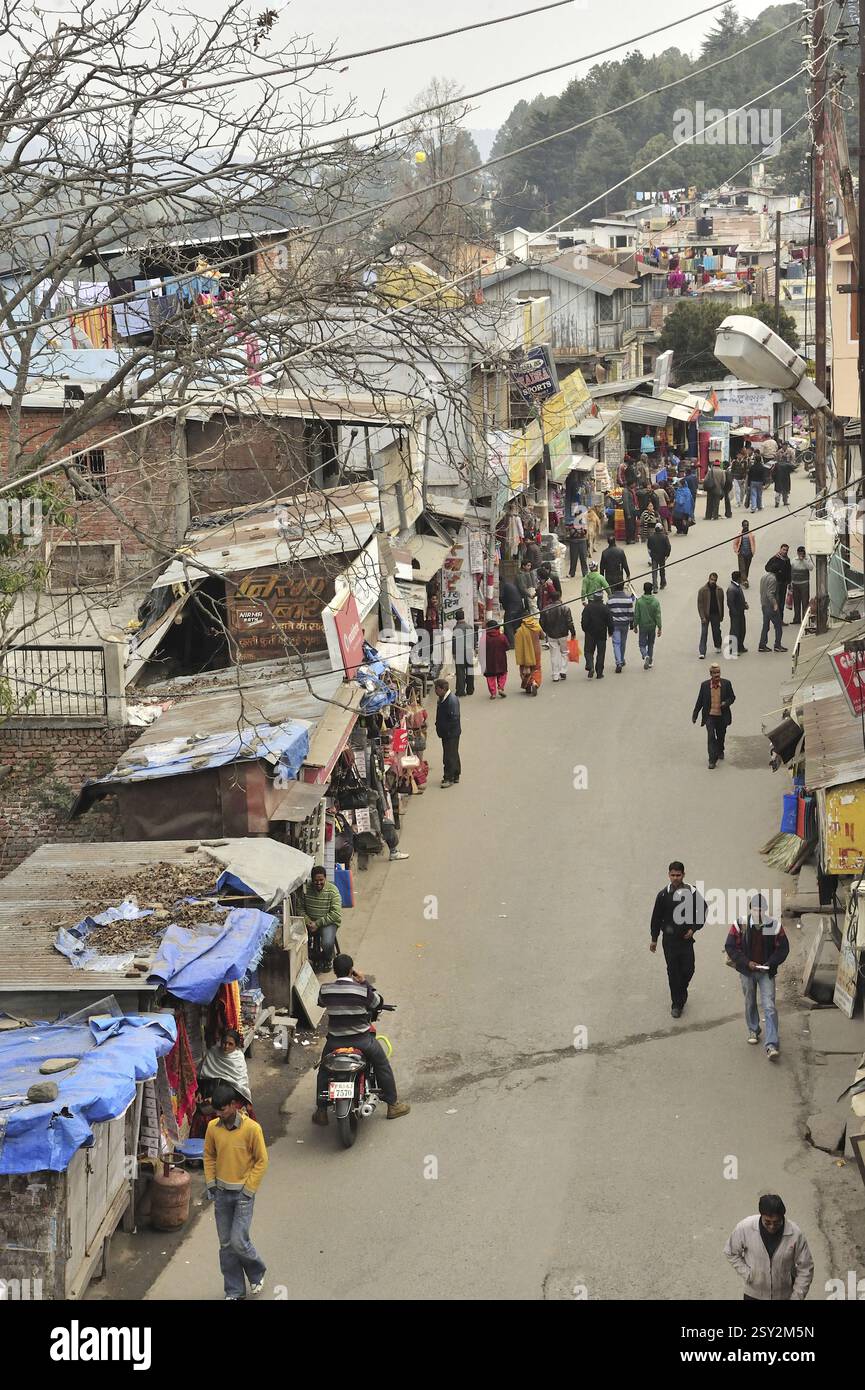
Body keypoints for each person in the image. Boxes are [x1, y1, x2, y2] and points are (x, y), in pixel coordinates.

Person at [313, 954, 410, 1124]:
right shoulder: (362, 991)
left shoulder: (326, 989)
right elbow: (378, 1003)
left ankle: (321, 1111)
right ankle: (393, 1105)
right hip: (362, 1041)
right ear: (351, 970)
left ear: (334, 971)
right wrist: (364, 981)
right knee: (382, 1064)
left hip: (334, 1042)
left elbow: (321, 1002)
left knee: (323, 1071)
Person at [204, 1081, 268, 1300]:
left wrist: (248, 1190)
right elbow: (209, 1156)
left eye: (222, 1110)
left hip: (243, 1195)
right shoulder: (213, 1128)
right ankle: (234, 1291)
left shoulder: (252, 1129)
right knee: (226, 1246)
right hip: (221, 1195)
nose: (219, 1114)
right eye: (217, 1110)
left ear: (233, 1105)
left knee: (239, 1241)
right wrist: (211, 1183)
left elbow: (261, 1161)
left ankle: (257, 1271)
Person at [725, 894, 790, 1059]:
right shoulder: (740, 924)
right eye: (755, 909)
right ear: (750, 909)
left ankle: (771, 1044)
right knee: (750, 1001)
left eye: (761, 909)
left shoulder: (774, 926)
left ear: (765, 910)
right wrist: (747, 963)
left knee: (769, 1006)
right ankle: (753, 1030)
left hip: (766, 972)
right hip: (747, 972)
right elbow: (730, 947)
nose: (758, 912)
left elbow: (783, 949)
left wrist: (771, 963)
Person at [724, 1195, 814, 1301]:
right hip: (753, 1294)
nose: (772, 1226)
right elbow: (730, 1252)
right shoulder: (745, 1228)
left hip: (783, 1295)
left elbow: (806, 1267)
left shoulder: (795, 1234)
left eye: (777, 1222)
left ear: (783, 1217)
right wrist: (747, 1274)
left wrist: (797, 1297)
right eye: (767, 1222)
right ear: (761, 1215)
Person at [649, 861, 706, 1017]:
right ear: (668, 875)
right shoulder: (662, 895)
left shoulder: (692, 892)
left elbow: (702, 910)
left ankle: (682, 991)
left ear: (683, 875)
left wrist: (693, 929)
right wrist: (654, 938)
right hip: (669, 942)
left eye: (678, 875)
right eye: (672, 875)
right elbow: (656, 918)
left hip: (686, 941)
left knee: (689, 969)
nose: (675, 878)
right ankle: (676, 1004)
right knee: (673, 972)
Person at [692, 661, 735, 769]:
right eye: (715, 673)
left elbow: (732, 697)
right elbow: (700, 701)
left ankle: (720, 749)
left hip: (722, 716)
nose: (717, 675)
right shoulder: (705, 685)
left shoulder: (726, 684)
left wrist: (726, 703)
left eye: (718, 673)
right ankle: (712, 760)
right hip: (709, 716)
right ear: (710, 674)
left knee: (721, 736)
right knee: (711, 737)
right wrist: (695, 714)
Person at [302, 865, 342, 972]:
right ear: (312, 879)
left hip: (328, 923)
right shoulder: (306, 889)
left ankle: (328, 959)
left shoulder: (333, 891)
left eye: (321, 880)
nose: (318, 883)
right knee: (300, 940)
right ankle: (315, 958)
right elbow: (300, 908)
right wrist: (308, 921)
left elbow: (336, 913)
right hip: (310, 922)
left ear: (325, 879)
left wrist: (318, 923)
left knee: (327, 943)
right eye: (316, 880)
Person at [539, 593, 576, 682]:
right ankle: (563, 671)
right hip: (563, 634)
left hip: (551, 635)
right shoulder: (565, 608)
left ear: (551, 599)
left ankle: (555, 675)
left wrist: (546, 631)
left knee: (554, 655)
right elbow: (569, 622)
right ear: (559, 598)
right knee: (564, 652)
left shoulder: (545, 609)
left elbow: (541, 623)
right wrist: (573, 632)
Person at [434, 677, 461, 786]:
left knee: (448, 755)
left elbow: (454, 719)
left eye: (436, 689)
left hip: (451, 733)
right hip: (447, 732)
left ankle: (448, 777)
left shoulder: (451, 700)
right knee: (453, 753)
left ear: (442, 689)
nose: (435, 691)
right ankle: (456, 774)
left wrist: (446, 730)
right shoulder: (442, 698)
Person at [580, 592, 614, 680]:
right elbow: (610, 621)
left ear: (594, 598)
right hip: (601, 633)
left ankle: (590, 666)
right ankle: (599, 673)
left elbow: (583, 621)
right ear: (602, 598)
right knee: (601, 653)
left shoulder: (588, 608)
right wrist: (611, 631)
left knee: (588, 651)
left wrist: (585, 630)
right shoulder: (605, 608)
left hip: (590, 633)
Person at [633, 581, 662, 669]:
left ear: (643, 589)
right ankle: (650, 660)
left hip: (643, 626)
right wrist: (659, 627)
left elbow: (637, 615)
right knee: (650, 643)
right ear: (652, 590)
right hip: (652, 626)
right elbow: (658, 615)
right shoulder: (655, 602)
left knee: (642, 644)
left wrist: (635, 625)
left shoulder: (639, 602)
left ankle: (645, 655)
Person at [607, 583, 635, 673]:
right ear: (622, 588)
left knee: (616, 643)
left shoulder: (610, 600)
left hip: (615, 624)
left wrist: (608, 626)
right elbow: (631, 613)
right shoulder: (628, 599)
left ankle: (618, 662)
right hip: (625, 624)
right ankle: (622, 659)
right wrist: (631, 624)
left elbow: (607, 614)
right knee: (623, 643)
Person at [696, 572, 724, 659]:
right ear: (709, 579)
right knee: (704, 633)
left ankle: (718, 645)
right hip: (706, 615)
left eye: (714, 580)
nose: (713, 581)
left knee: (716, 632)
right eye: (711, 579)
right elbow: (700, 605)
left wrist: (721, 615)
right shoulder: (702, 590)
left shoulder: (719, 590)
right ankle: (702, 652)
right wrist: (702, 617)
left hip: (715, 614)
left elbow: (721, 603)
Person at [758, 569, 786, 653]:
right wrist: (775, 604)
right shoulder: (773, 579)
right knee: (778, 626)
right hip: (770, 605)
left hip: (764, 604)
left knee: (765, 626)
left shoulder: (764, 577)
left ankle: (762, 645)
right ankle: (777, 645)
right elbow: (770, 593)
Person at [515, 612, 543, 694]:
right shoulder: (537, 627)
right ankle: (535, 682)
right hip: (536, 652)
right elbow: (543, 636)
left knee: (524, 670)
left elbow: (517, 645)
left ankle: (528, 685)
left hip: (524, 654)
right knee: (536, 669)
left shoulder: (519, 631)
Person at [482, 619, 509, 698]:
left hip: (489, 661)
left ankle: (493, 693)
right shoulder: (502, 636)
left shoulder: (485, 637)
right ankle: (500, 688)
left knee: (490, 677)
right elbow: (507, 647)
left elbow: (481, 649)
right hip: (501, 660)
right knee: (502, 674)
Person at [451, 609, 475, 698]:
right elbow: (473, 639)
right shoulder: (469, 627)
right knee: (469, 670)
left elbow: (454, 641)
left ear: (456, 618)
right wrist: (474, 649)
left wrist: (454, 653)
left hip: (459, 651)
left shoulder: (456, 628)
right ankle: (470, 689)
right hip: (469, 651)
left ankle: (461, 691)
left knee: (460, 672)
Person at [765, 545, 792, 619]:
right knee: (776, 601)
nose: (785, 551)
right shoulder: (775, 558)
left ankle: (780, 619)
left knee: (782, 602)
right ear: (780, 549)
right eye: (783, 549)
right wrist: (776, 569)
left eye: (786, 550)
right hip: (776, 583)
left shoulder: (787, 560)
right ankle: (775, 619)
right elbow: (767, 568)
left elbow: (789, 571)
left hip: (783, 584)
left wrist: (789, 581)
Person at [790, 545, 814, 624]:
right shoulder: (793, 560)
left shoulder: (807, 560)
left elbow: (811, 568)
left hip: (804, 584)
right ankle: (796, 619)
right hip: (795, 584)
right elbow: (791, 571)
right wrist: (790, 582)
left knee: (805, 602)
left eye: (803, 553)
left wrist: (804, 560)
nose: (801, 555)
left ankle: (805, 619)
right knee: (796, 602)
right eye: (800, 553)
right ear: (797, 553)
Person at [727, 570, 748, 655]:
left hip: (740, 611)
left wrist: (744, 604)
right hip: (736, 613)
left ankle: (740, 646)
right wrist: (735, 612)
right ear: (738, 578)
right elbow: (730, 603)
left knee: (742, 629)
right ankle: (732, 650)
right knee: (735, 631)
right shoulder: (732, 589)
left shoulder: (737, 586)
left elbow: (740, 599)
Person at [646, 522, 671, 593]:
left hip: (654, 557)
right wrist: (667, 555)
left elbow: (649, 547)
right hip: (662, 557)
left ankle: (655, 588)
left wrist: (651, 555)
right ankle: (662, 583)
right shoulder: (664, 537)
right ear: (661, 529)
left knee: (654, 572)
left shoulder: (651, 537)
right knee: (662, 571)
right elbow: (668, 547)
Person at [500, 578, 524, 649]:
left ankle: (511, 643)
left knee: (508, 624)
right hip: (519, 607)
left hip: (512, 607)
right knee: (515, 625)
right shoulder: (510, 585)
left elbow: (501, 597)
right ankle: (516, 642)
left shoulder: (503, 586)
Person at [733, 519, 755, 587]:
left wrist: (753, 552)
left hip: (749, 554)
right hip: (741, 554)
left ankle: (743, 579)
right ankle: (745, 580)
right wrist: (737, 551)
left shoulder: (751, 535)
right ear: (742, 526)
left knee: (747, 567)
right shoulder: (740, 535)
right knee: (742, 567)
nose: (746, 526)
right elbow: (735, 543)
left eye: (747, 525)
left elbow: (753, 544)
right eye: (744, 525)